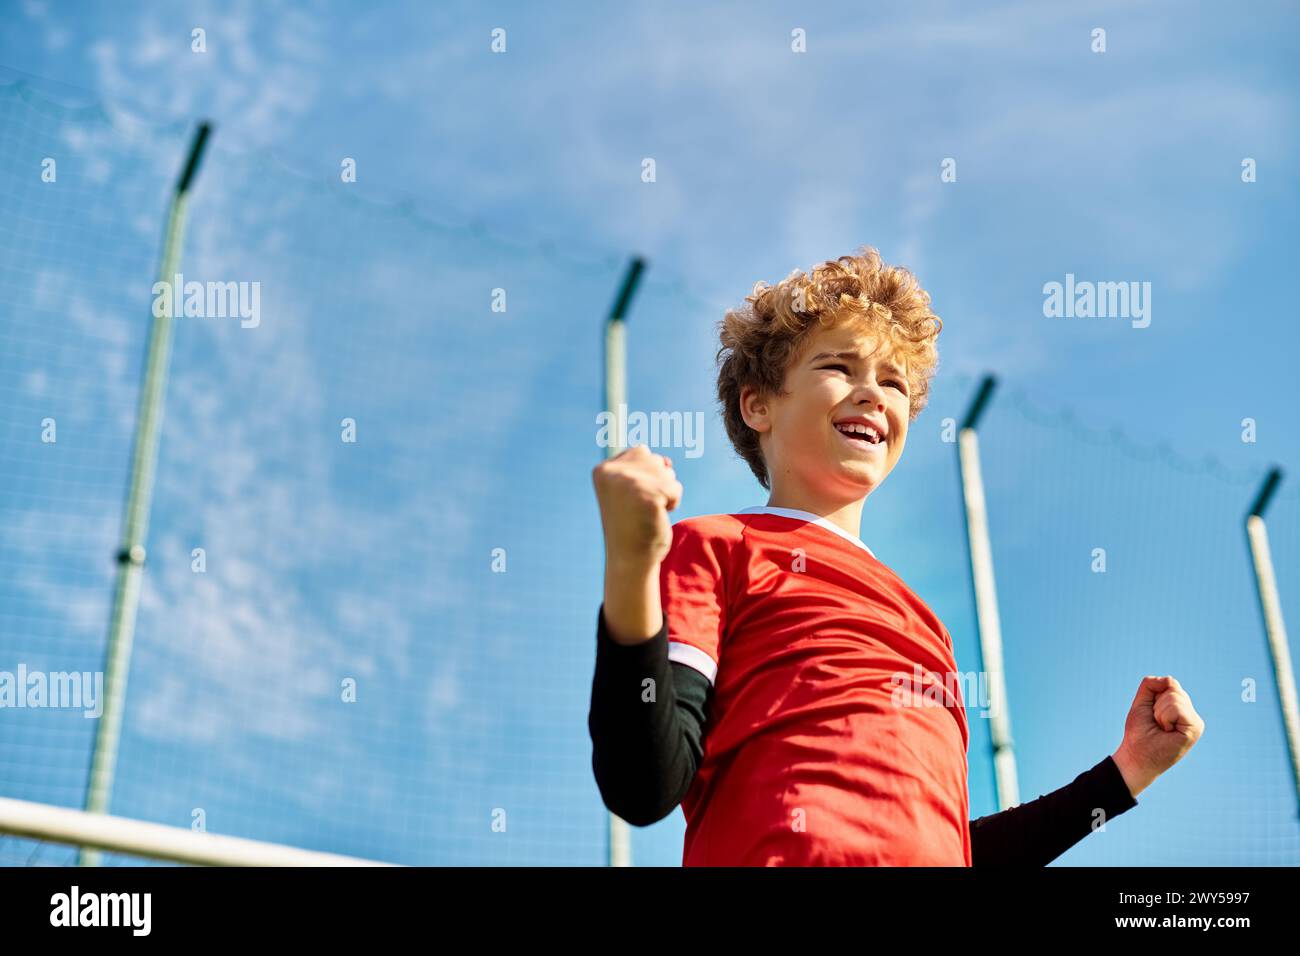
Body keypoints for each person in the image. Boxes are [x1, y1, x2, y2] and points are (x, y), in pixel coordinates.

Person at [588, 247, 1204, 866]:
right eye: (839, 366)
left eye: (893, 382)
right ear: (758, 405)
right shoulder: (717, 546)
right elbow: (643, 785)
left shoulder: (929, 627)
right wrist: (631, 565)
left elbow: (949, 852)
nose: (872, 394)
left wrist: (1125, 773)